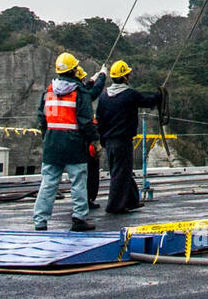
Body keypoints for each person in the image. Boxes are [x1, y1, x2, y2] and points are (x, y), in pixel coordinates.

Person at [33, 52, 100, 232]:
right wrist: (95, 140)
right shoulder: (80, 93)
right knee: (78, 181)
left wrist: (47, 138)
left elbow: (42, 118)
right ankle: (79, 218)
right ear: (74, 71)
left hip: (52, 143)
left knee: (48, 183)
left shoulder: (48, 91)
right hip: (74, 144)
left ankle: (40, 221)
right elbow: (85, 121)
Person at [95, 60, 163, 214]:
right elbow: (147, 101)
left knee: (120, 170)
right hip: (122, 140)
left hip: (108, 140)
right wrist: (159, 96)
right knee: (121, 172)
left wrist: (101, 139)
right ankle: (115, 206)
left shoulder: (104, 96)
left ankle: (132, 200)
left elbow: (99, 119)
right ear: (125, 77)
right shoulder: (129, 95)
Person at [75, 64, 107, 210]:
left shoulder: (65, 91)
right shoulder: (81, 95)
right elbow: (93, 92)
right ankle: (87, 200)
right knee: (91, 171)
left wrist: (93, 79)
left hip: (71, 139)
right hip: (85, 137)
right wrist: (102, 76)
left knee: (78, 174)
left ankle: (82, 199)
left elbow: (86, 89)